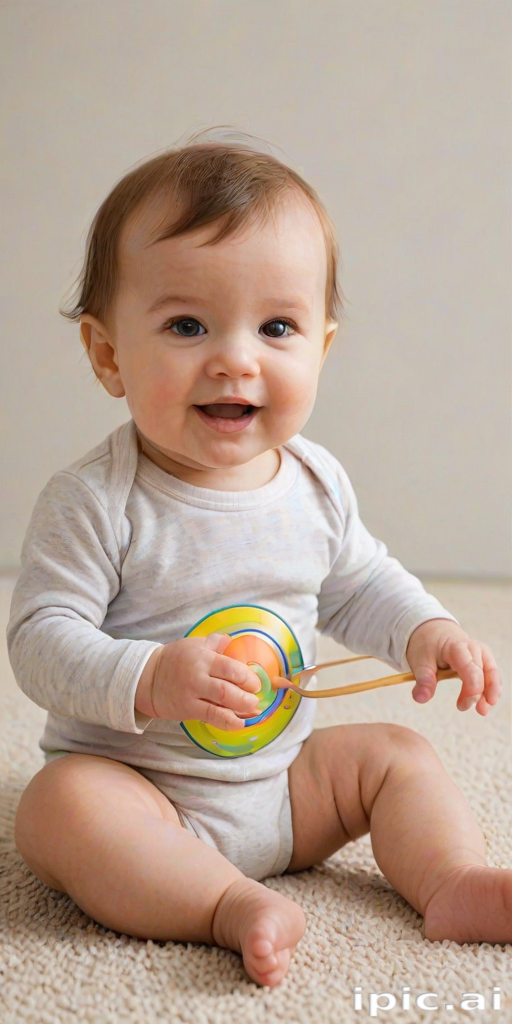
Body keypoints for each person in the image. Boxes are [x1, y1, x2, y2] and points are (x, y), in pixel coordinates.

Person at [7, 129, 506, 989]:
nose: (236, 357)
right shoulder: (96, 499)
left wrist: (427, 627)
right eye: (188, 324)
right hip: (144, 790)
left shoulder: (314, 483)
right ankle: (220, 904)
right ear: (107, 354)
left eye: (277, 326)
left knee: (397, 755)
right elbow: (40, 639)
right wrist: (149, 675)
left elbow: (358, 582)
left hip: (285, 788)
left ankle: (450, 881)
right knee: (57, 811)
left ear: (321, 348)